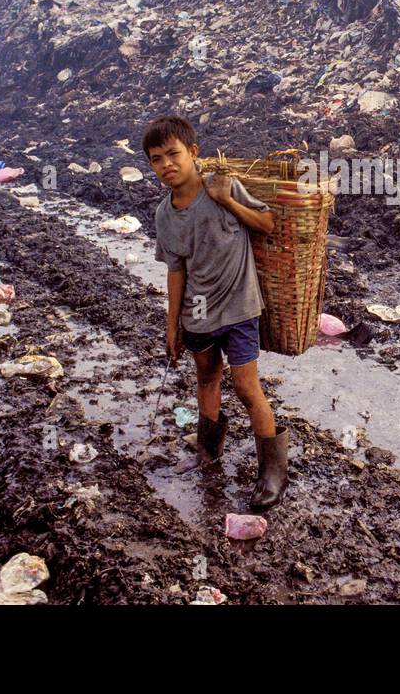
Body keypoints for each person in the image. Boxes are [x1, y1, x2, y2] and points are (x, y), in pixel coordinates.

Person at [142, 115, 288, 511]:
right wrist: (172, 327)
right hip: (198, 314)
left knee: (245, 386)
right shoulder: (164, 215)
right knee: (206, 377)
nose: (166, 165)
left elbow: (267, 223)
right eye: (157, 159)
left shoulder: (222, 188)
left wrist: (226, 200)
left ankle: (273, 472)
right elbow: (176, 271)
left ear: (193, 153)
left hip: (239, 307)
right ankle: (209, 453)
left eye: (173, 154)